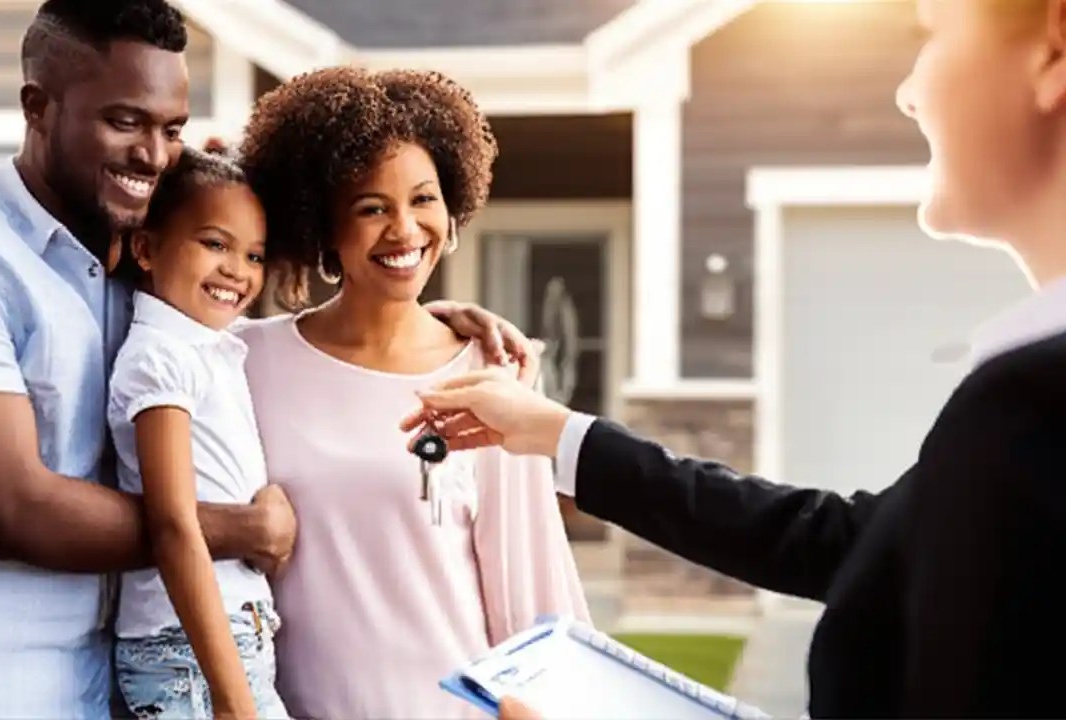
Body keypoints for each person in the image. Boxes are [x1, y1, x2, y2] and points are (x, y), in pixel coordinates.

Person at [0, 1, 535, 716]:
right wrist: (246, 530)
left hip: (105, 680)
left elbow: (250, 302)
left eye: (171, 128)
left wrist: (423, 322)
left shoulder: (143, 260)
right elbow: (12, 508)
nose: (151, 153)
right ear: (37, 106)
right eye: (123, 121)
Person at [404, 1, 1066, 717]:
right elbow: (841, 542)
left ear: (1053, 49)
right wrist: (556, 433)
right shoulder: (1025, 407)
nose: (907, 92)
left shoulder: (1032, 407)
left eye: (930, 35)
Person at [233, 66, 592, 720]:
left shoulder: (489, 367)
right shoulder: (245, 361)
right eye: (372, 207)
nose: (404, 230)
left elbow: (529, 578)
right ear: (322, 225)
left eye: (423, 200)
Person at [108, 146, 287, 719]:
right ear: (146, 248)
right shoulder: (160, 358)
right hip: (189, 654)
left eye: (254, 255)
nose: (238, 270)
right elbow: (173, 525)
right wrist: (232, 699)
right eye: (215, 244)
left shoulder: (207, 348)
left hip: (228, 640)